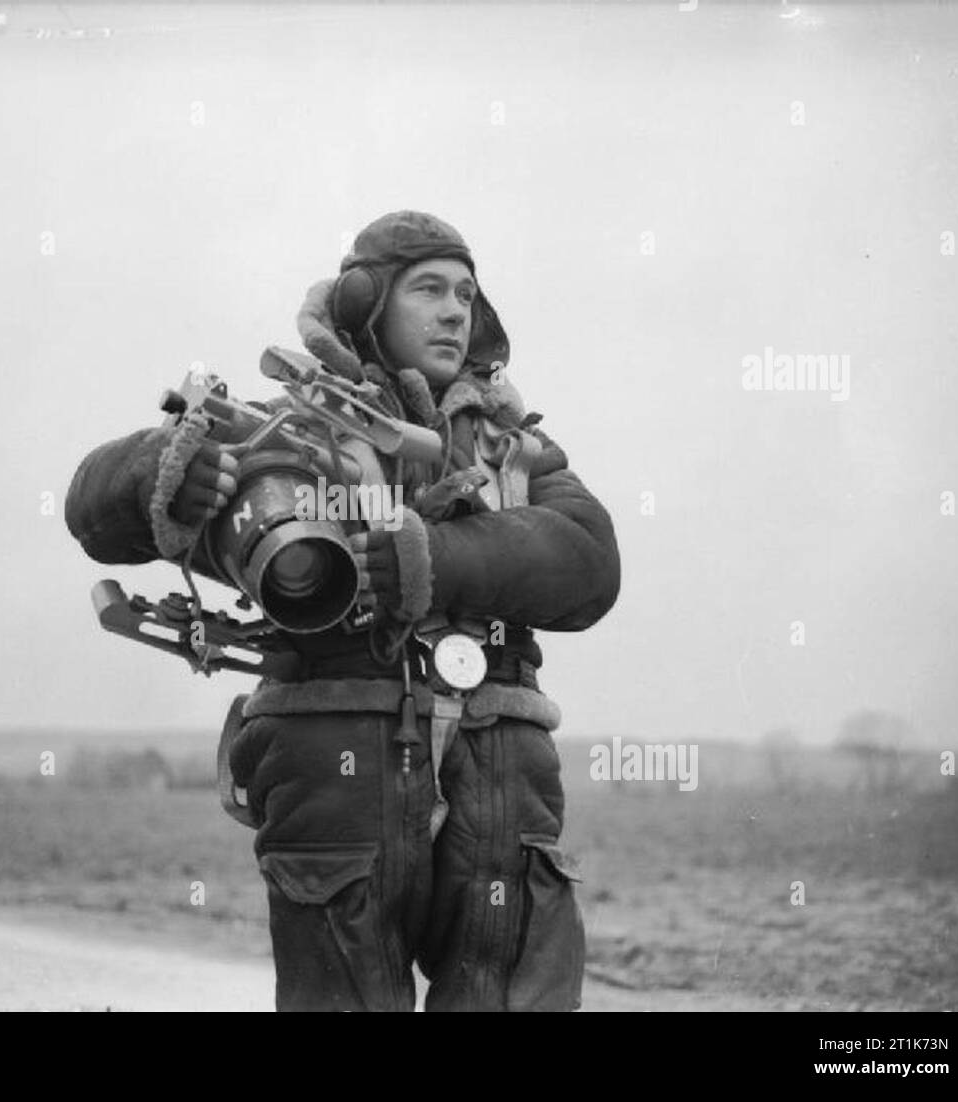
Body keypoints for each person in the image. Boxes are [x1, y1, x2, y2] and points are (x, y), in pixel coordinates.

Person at [65, 210, 621, 1011]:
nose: (455, 310)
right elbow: (90, 506)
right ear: (365, 303)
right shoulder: (289, 425)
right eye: (428, 289)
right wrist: (164, 472)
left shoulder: (513, 447)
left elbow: (589, 562)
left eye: (466, 293)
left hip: (501, 770)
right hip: (337, 764)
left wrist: (431, 555)